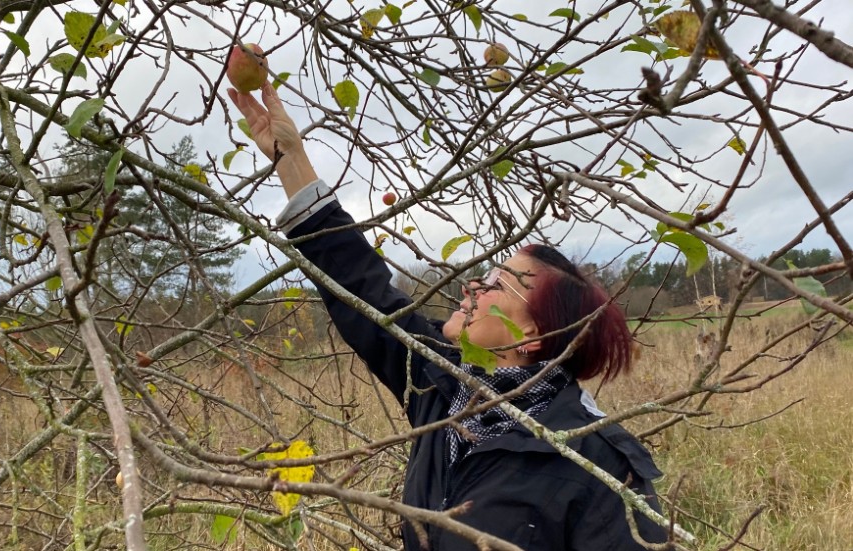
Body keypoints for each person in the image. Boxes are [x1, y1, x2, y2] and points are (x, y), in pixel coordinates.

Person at [228, 83, 670, 550]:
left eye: (497, 284)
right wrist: (290, 156)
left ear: (534, 334)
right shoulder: (442, 387)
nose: (471, 287)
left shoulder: (596, 463)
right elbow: (362, 286)